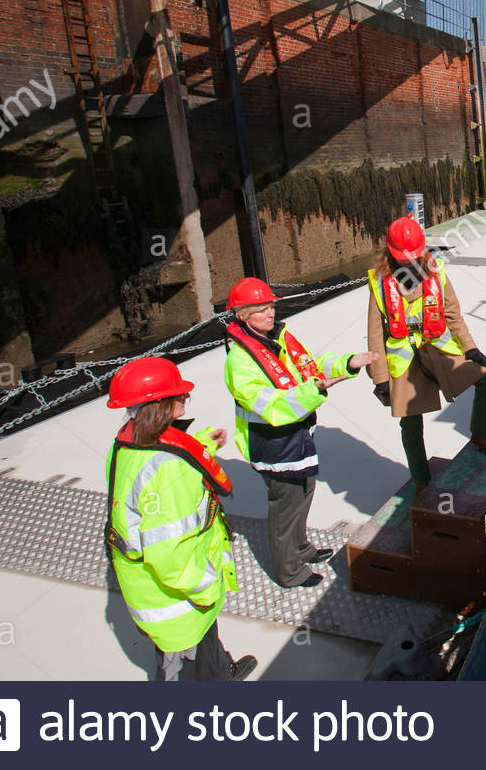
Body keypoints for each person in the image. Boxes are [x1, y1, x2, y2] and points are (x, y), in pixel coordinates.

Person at [104, 356, 255, 681]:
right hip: (178, 599)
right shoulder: (172, 469)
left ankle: (222, 672)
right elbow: (169, 554)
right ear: (160, 405)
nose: (186, 397)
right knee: (184, 671)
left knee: (204, 646)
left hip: (152, 589)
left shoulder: (125, 445)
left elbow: (152, 472)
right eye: (179, 394)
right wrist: (206, 588)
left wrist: (200, 447)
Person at [223, 277, 377, 588]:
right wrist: (316, 389)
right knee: (285, 508)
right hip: (272, 445)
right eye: (262, 309)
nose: (271, 313)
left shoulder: (277, 338)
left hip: (296, 437)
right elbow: (275, 407)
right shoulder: (240, 361)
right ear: (243, 315)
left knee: (305, 490)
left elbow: (311, 368)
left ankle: (302, 548)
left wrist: (347, 364)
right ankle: (289, 572)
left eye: (271, 306)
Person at [367, 216, 486, 491]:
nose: (409, 261)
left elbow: (453, 313)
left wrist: (471, 349)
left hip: (439, 348)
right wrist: (379, 377)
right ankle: (421, 480)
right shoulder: (378, 281)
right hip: (404, 357)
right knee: (409, 421)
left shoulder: (436, 270)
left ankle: (481, 435)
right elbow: (375, 333)